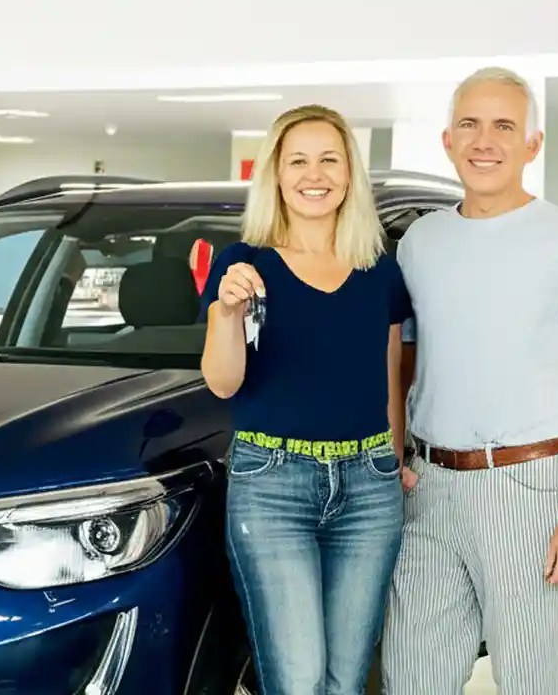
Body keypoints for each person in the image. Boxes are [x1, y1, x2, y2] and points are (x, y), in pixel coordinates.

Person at [379, 67, 558, 694]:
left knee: (527, 684)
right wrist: (394, 454)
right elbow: (402, 364)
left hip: (528, 488)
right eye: (469, 124)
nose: (484, 140)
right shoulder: (419, 243)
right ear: (446, 139)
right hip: (427, 488)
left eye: (503, 126)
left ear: (531, 146)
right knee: (412, 680)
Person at [199, 104, 415, 695]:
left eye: (328, 159)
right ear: (275, 174)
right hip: (272, 487)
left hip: (370, 488)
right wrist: (228, 311)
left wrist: (394, 459)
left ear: (349, 175)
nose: (312, 174)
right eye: (297, 160)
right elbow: (222, 382)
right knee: (297, 680)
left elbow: (389, 371)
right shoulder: (243, 266)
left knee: (345, 683)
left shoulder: (379, 270)